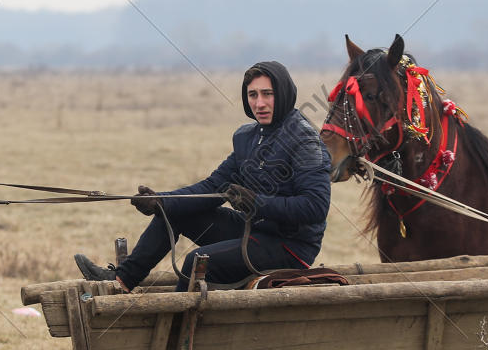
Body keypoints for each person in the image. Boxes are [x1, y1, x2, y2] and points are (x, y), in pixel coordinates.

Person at [75, 61, 331, 291]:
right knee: (174, 212)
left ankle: (176, 337)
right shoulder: (248, 137)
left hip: (289, 247)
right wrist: (161, 201)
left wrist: (256, 203)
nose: (259, 103)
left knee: (195, 261)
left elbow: (315, 207)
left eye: (267, 94)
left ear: (283, 94)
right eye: (252, 95)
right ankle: (121, 281)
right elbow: (212, 186)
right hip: (252, 231)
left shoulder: (305, 140)